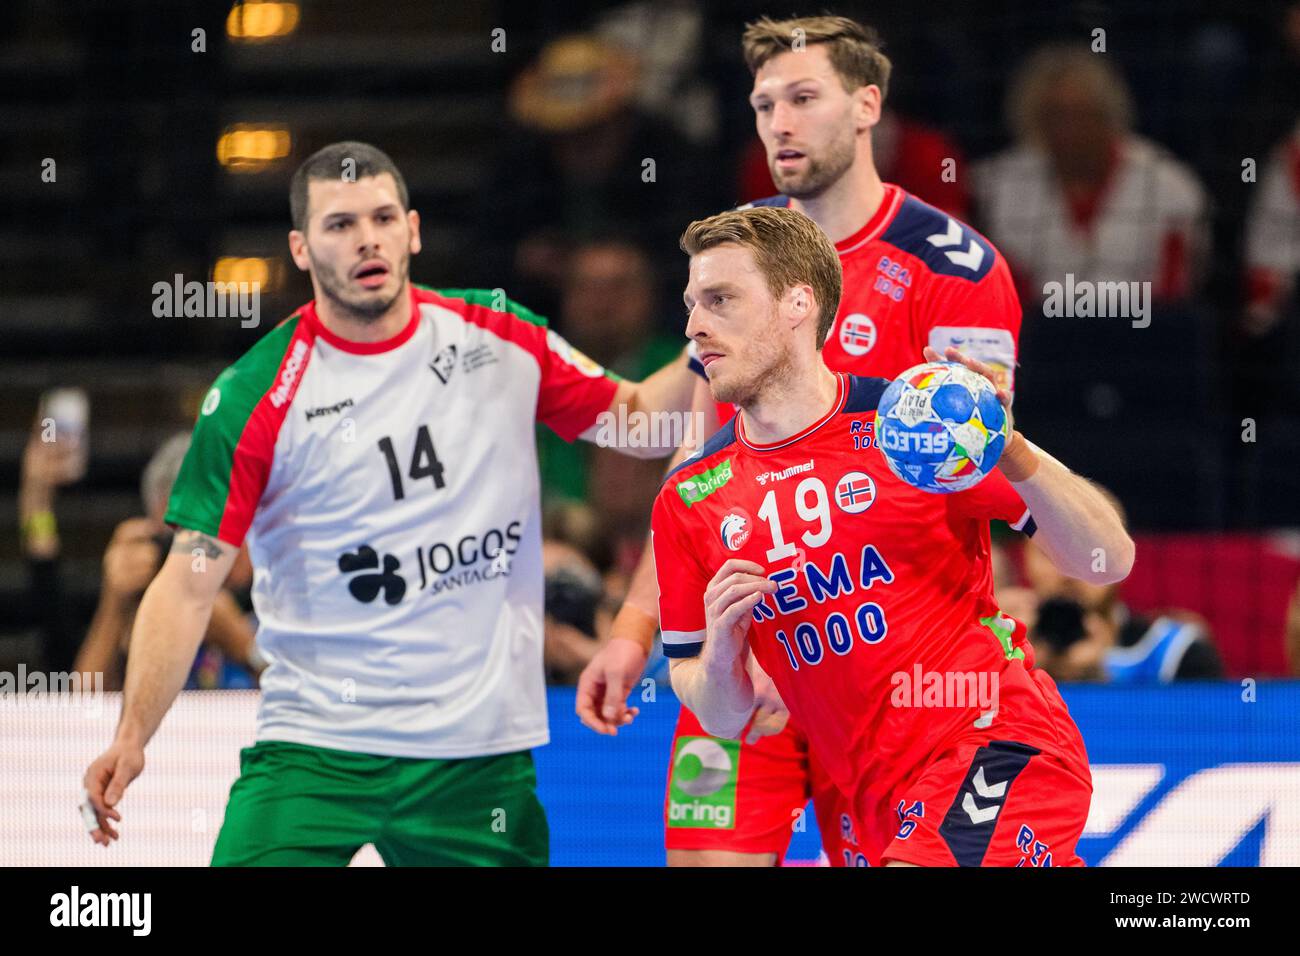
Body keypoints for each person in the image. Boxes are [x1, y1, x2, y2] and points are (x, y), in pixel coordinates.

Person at [80, 140, 695, 866]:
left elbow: (639, 422)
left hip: (477, 754)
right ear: (301, 249)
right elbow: (186, 587)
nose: (366, 238)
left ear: (414, 229)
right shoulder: (251, 394)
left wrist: (715, 337)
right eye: (339, 225)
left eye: (381, 217)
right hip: (315, 747)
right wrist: (132, 734)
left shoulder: (498, 335)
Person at [577, 14, 1024, 867]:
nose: (779, 123)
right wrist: (636, 630)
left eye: (803, 98)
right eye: (762, 103)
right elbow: (696, 478)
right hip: (743, 649)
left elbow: (987, 472)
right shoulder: (738, 250)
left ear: (866, 105)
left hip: (897, 670)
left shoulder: (952, 268)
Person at [654, 205, 1134, 867]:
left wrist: (1011, 446)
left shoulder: (911, 427)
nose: (695, 326)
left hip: (994, 738)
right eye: (691, 303)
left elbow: (1108, 560)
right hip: (871, 798)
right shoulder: (690, 498)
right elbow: (725, 716)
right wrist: (721, 659)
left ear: (798, 303)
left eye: (721, 300)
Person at [971, 44, 1209, 305]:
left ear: (1109, 116)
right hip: (1034, 335)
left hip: (1142, 332)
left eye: (1083, 115)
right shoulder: (994, 185)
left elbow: (1173, 296)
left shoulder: (1169, 184)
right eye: (1056, 116)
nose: (1070, 131)